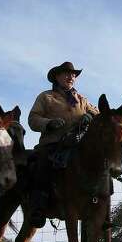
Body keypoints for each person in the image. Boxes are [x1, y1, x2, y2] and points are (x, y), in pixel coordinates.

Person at [26, 61, 99, 216]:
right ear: (57, 77)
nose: (71, 77)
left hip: (78, 144)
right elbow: (33, 119)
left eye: (73, 75)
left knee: (100, 167)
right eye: (67, 73)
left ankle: (99, 209)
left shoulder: (81, 99)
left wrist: (90, 115)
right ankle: (38, 208)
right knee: (43, 165)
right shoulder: (45, 97)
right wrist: (49, 123)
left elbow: (99, 113)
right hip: (53, 144)